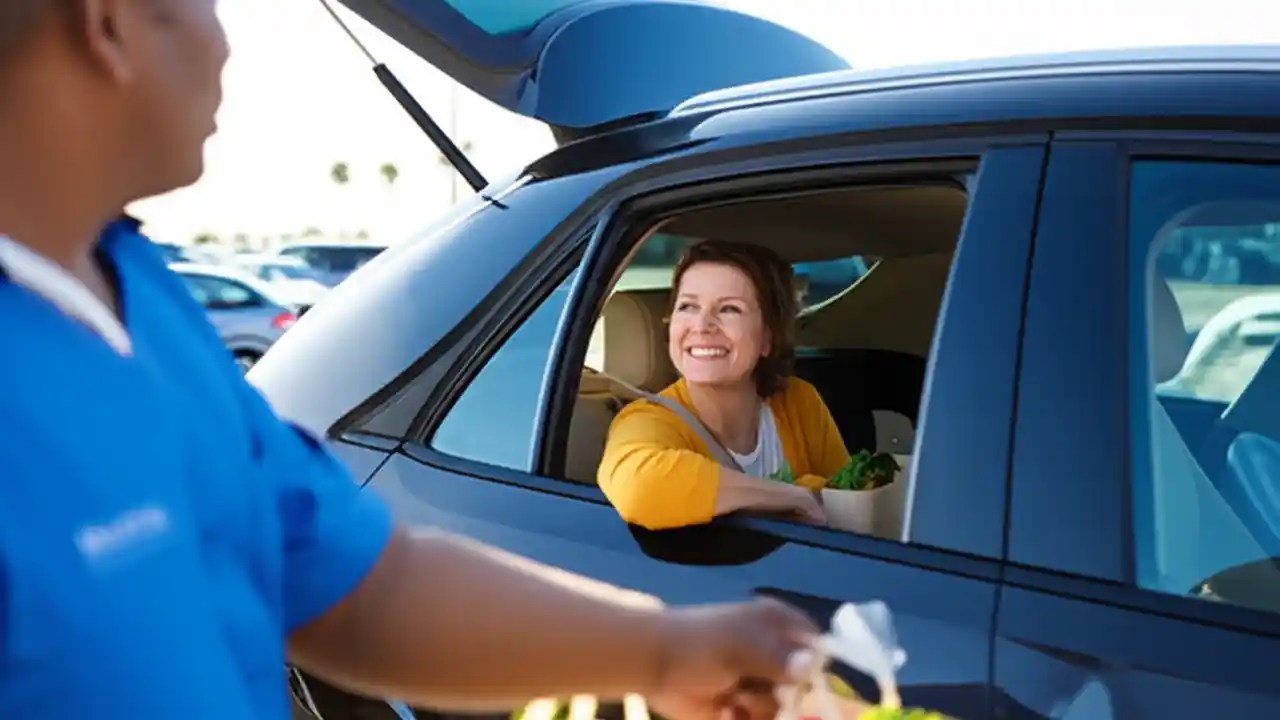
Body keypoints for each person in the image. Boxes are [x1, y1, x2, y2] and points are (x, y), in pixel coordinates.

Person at [0, 2, 820, 718]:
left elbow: (359, 588)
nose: (226, 46)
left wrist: (665, 652)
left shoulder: (137, 297)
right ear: (108, 20)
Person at [598, 240, 850, 530]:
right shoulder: (646, 419)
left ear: (768, 337)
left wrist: (809, 492)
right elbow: (640, 488)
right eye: (688, 306)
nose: (702, 325)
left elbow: (846, 500)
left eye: (729, 309)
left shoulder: (798, 401)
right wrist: (794, 497)